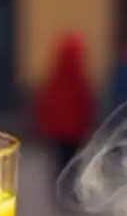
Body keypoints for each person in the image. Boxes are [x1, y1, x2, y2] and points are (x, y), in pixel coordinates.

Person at [34, 32, 94, 188]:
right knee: (72, 162)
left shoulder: (55, 78)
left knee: (60, 162)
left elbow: (44, 104)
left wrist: (44, 126)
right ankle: (69, 189)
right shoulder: (78, 79)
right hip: (74, 131)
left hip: (58, 132)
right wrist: (86, 127)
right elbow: (85, 105)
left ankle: (60, 188)